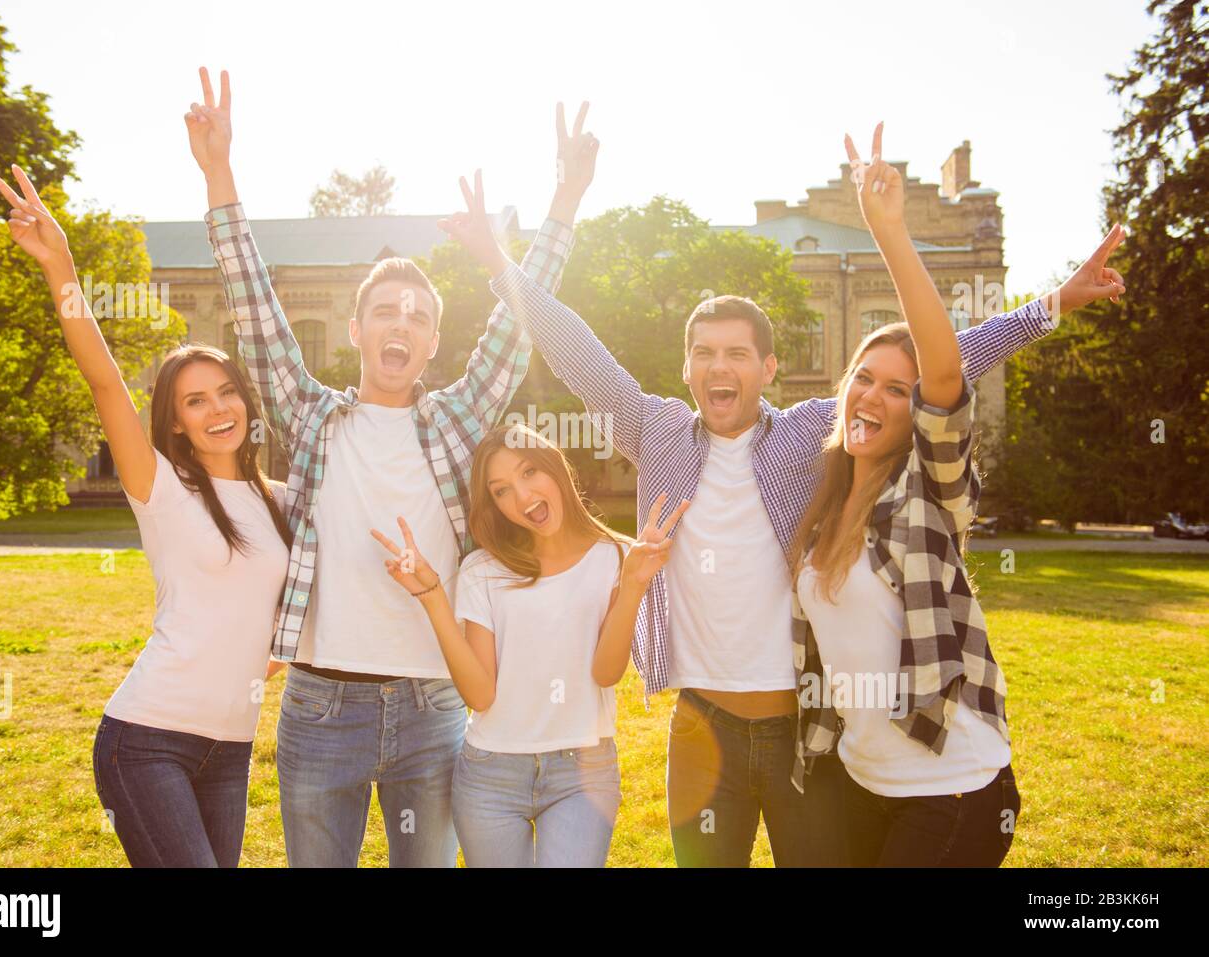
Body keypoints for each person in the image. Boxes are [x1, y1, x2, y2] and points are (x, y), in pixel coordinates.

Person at [474, 123, 1128, 867]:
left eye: (737, 354)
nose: (720, 368)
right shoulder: (652, 430)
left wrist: (1052, 306)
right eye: (704, 353)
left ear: (768, 367)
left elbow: (942, 364)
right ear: (688, 367)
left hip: (805, 731)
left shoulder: (812, 432)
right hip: (701, 730)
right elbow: (576, 351)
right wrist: (500, 266)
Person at [182, 66, 598, 866]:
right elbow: (255, 304)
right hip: (320, 706)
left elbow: (519, 324)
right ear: (358, 329)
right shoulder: (312, 415)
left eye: (418, 315)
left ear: (433, 342)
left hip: (432, 706)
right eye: (384, 311)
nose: (400, 323)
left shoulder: (454, 420)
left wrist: (565, 202)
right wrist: (218, 173)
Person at [788, 126, 1125, 866]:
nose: (873, 395)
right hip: (861, 778)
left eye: (897, 390)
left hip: (954, 783)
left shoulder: (928, 492)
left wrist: (891, 233)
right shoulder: (820, 504)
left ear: (919, 413)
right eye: (864, 378)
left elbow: (947, 372)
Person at [0, 166, 293, 868]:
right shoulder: (160, 484)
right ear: (176, 423)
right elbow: (101, 376)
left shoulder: (280, 499)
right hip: (147, 737)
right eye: (194, 401)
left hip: (233, 746)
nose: (217, 409)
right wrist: (59, 263)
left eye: (226, 392)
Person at [371, 422, 688, 866]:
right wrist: (432, 598)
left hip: (582, 773)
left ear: (554, 468)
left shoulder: (614, 557)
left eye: (528, 473)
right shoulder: (483, 569)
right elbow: (481, 695)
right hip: (490, 776)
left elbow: (605, 673)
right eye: (500, 491)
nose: (520, 497)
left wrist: (634, 584)